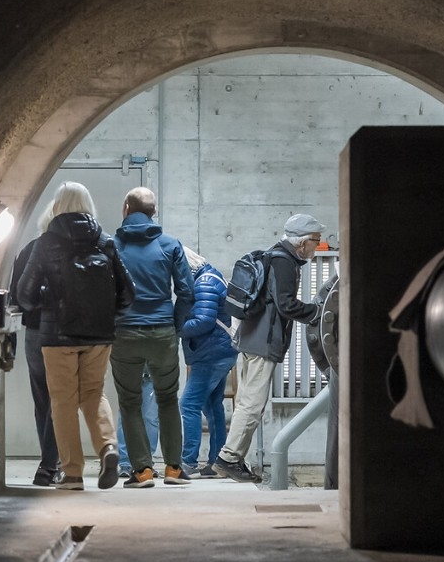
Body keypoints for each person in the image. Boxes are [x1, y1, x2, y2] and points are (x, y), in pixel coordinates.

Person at [16, 182, 133, 491]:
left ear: (57, 206)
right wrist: (103, 312)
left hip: (58, 337)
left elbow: (24, 295)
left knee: (63, 401)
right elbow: (128, 294)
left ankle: (72, 474)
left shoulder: (45, 243)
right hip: (98, 336)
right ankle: (108, 447)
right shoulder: (105, 242)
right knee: (94, 393)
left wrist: (49, 301)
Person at [214, 213, 326, 483]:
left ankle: (232, 458)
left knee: (246, 403)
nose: (318, 245)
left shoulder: (273, 255)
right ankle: (229, 459)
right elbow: (286, 305)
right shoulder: (284, 262)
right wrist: (318, 312)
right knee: (252, 405)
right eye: (316, 240)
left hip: (251, 337)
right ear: (303, 242)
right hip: (263, 342)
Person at [110, 187, 195, 488]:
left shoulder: (111, 246)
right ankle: (174, 469)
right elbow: (187, 292)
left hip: (124, 333)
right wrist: (175, 325)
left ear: (126, 208)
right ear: (153, 212)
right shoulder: (170, 245)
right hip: (162, 332)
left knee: (130, 401)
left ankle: (142, 471)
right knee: (167, 398)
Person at [7, 212, 61, 487]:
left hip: (34, 333)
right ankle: (50, 465)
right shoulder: (68, 251)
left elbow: (16, 295)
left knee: (42, 401)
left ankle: (49, 462)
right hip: (62, 332)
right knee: (59, 400)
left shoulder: (30, 248)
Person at [178, 246, 238, 477]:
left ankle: (188, 463)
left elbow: (204, 320)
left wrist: (177, 329)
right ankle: (217, 463)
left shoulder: (204, 283)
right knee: (212, 406)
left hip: (211, 354)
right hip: (220, 351)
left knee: (189, 404)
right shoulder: (211, 276)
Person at [116, 368, 160, 478]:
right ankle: (125, 463)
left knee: (150, 418)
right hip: (128, 373)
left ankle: (146, 463)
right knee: (125, 416)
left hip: (152, 374)